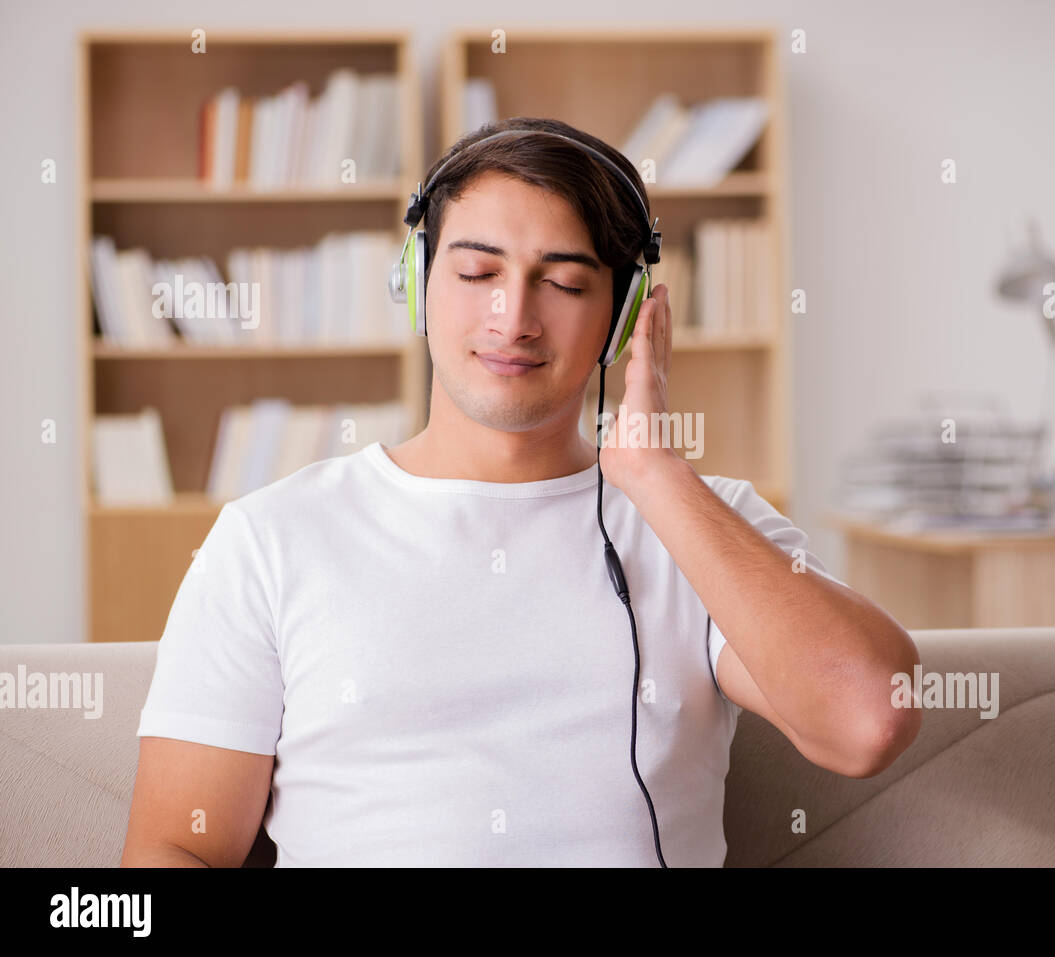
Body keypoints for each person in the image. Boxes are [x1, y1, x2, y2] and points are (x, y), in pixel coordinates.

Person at [121, 117, 920, 867]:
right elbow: (176, 849)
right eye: (476, 272)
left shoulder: (706, 526)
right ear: (415, 280)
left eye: (565, 284)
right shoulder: (271, 537)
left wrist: (651, 472)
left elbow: (869, 719)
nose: (513, 318)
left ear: (625, 315)